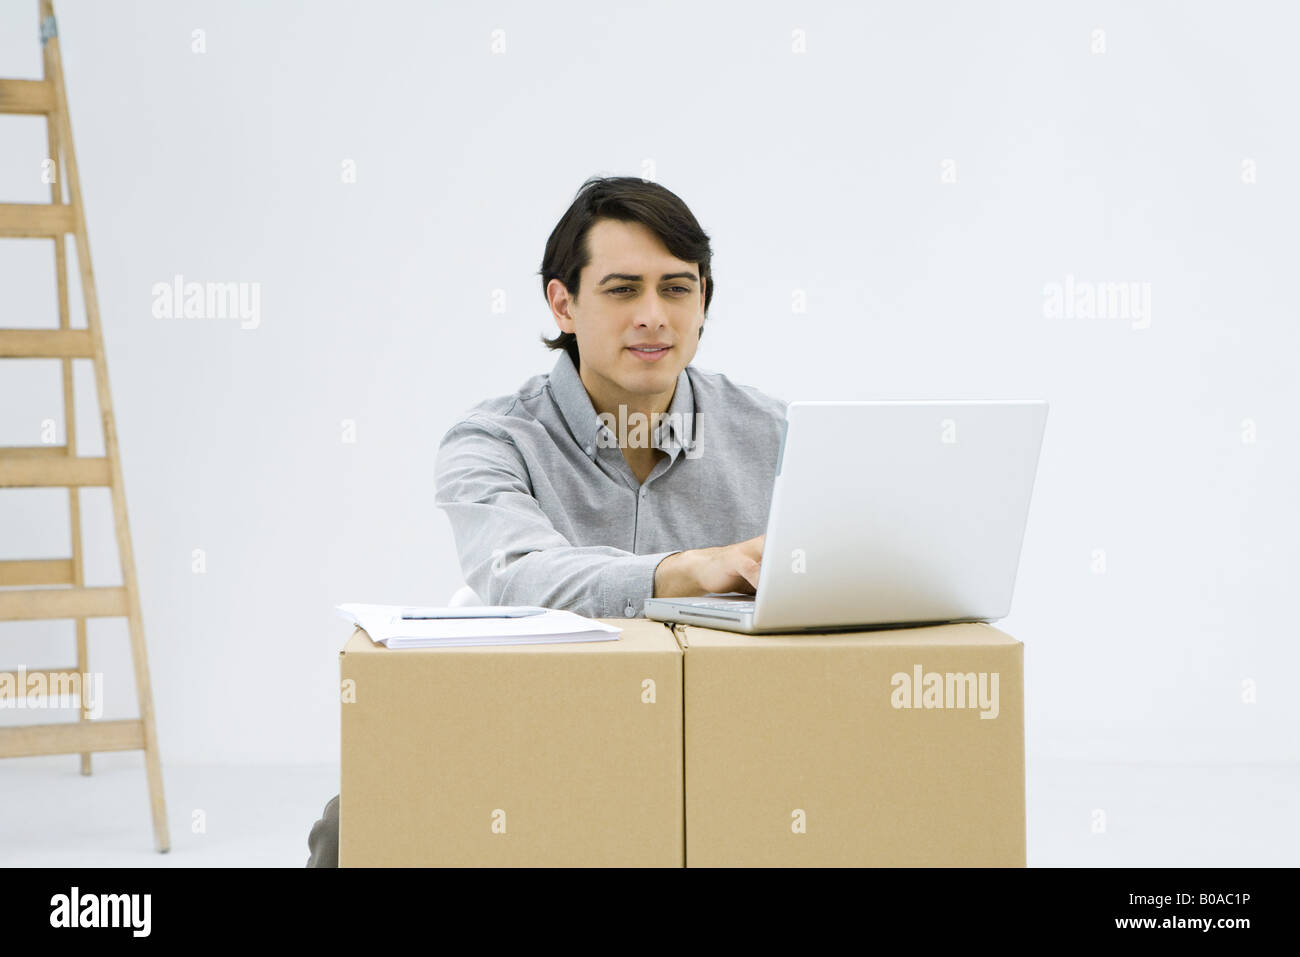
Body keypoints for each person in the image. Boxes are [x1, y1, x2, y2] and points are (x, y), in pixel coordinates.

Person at [306, 175, 786, 866]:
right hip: (532, 738)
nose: (654, 314)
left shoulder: (775, 435)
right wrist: (687, 570)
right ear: (562, 303)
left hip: (722, 742)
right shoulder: (493, 440)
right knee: (348, 827)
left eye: (677, 288)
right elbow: (521, 574)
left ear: (703, 300)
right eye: (623, 289)